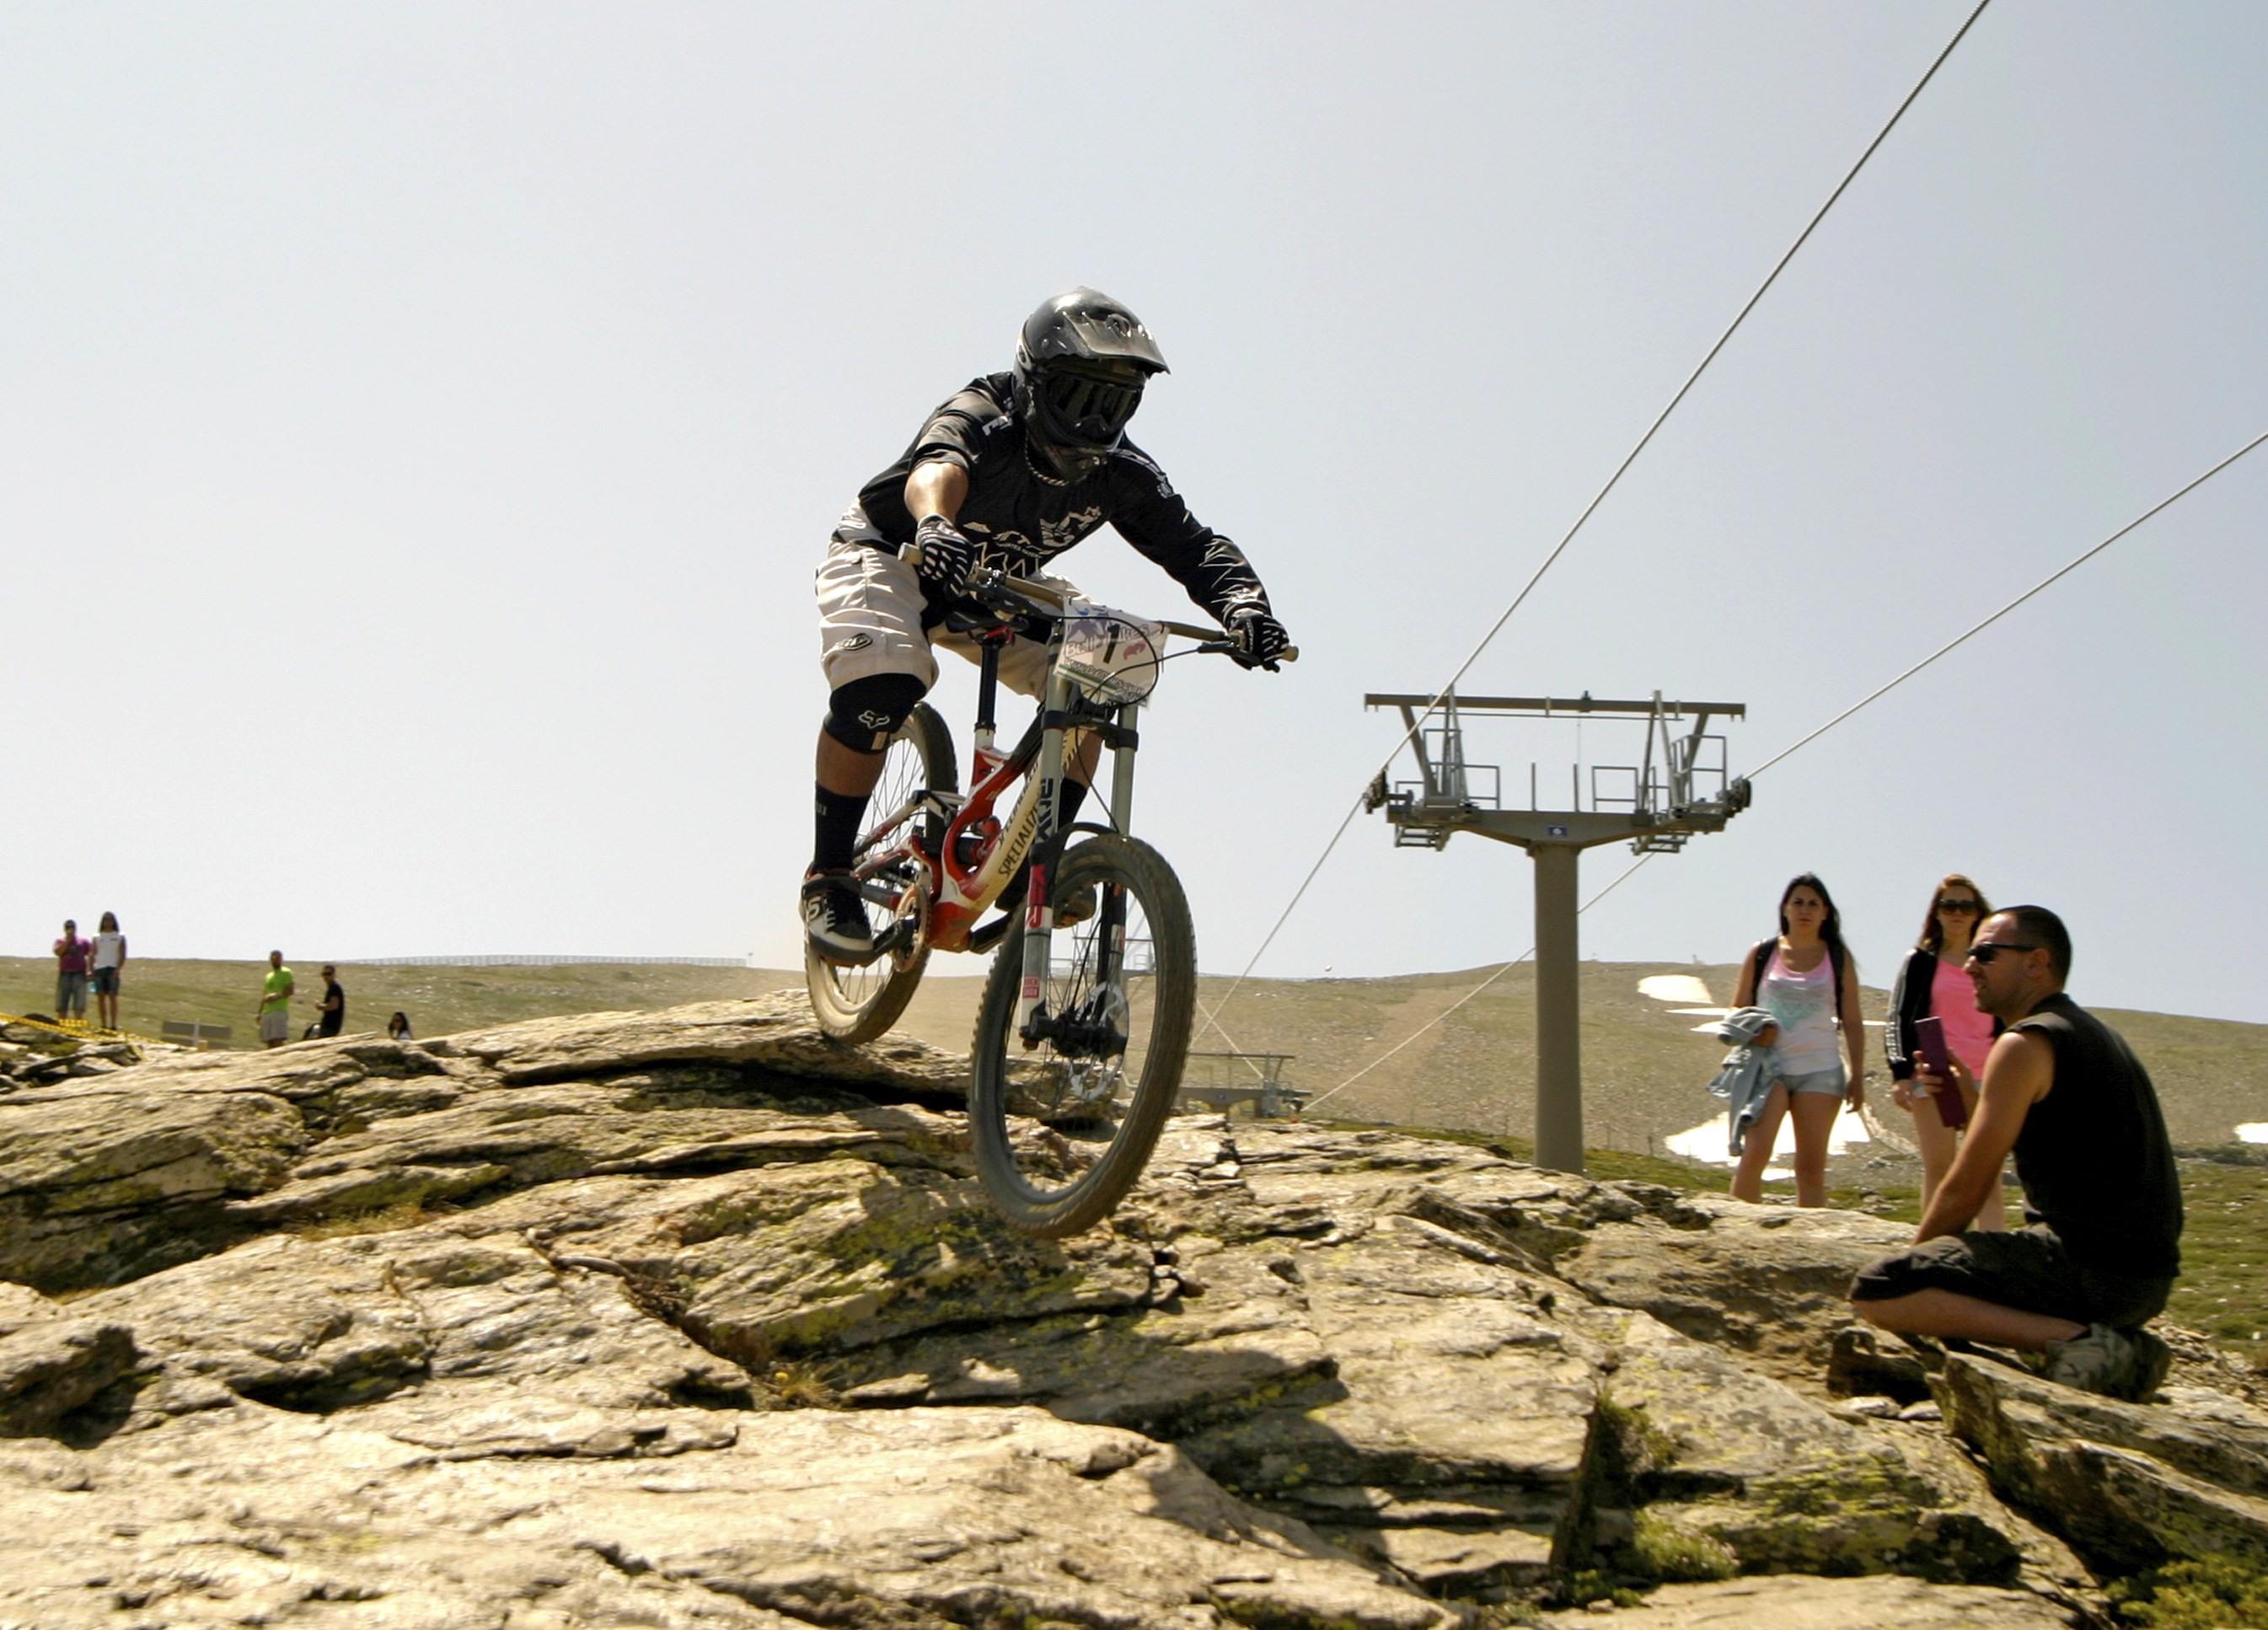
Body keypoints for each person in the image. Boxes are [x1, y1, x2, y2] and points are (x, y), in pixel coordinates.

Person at [803, 288, 1289, 965]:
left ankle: (1036, 855)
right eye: (1079, 394)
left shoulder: (1121, 471)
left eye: (1114, 401)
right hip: (897, 551)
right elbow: (936, 467)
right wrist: (936, 523)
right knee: (884, 685)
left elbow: (1193, 545)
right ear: (1033, 378)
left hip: (996, 580)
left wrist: (1244, 606)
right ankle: (829, 878)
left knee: (1107, 664)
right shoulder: (982, 413)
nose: (1094, 417)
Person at [1851, 906, 2184, 1401]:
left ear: (2036, 963)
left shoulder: (2024, 1043)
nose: (1969, 966)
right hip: (2143, 1283)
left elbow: (1969, 1183)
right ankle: (2119, 1346)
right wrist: (1972, 1104)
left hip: (2083, 1266)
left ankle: (2083, 1343)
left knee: (1881, 1290)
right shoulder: (2086, 1032)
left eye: (1986, 953)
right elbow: (2043, 1142)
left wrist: (1914, 1265)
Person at [1726, 873, 1868, 1208]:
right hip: (1768, 1068)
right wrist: (1755, 1029)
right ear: (1785, 909)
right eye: (1798, 902)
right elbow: (1737, 1007)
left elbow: (1852, 1019)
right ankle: (1737, 1229)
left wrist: (1858, 1076)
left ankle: (1810, 1236)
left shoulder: (1837, 957)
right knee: (1755, 1155)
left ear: (1825, 913)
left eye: (1814, 904)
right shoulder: (1763, 953)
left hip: (1820, 1070)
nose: (1805, 910)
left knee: (1810, 1168)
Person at [1885, 876, 2006, 1231]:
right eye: (1949, 905)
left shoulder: (1993, 963)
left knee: (1987, 1175)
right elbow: (1899, 1017)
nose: (1957, 912)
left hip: (1987, 1074)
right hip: (1935, 1070)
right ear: (1936, 913)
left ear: (1978, 914)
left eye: (1966, 906)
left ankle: (1994, 1252)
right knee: (1939, 1170)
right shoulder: (1921, 961)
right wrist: (1900, 1074)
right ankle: (1933, 1252)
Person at [90, 912, 128, 1032]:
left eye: (110, 920)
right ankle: (103, 1024)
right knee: (101, 997)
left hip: (112, 968)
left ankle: (113, 1025)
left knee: (113, 997)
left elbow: (122, 954)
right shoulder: (97, 936)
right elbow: (93, 953)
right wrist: (91, 969)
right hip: (99, 968)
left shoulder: (119, 936)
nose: (108, 922)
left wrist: (118, 969)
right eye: (105, 920)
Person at [52, 920, 93, 1021]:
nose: (70, 930)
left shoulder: (83, 941)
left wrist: (90, 970)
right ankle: (62, 1024)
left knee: (79, 1002)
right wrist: (68, 941)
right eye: (68, 927)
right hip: (65, 974)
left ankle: (78, 1024)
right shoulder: (60, 941)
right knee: (62, 1002)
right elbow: (58, 952)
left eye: (72, 927)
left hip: (79, 974)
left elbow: (91, 954)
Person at [257, 951, 295, 1048]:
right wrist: (259, 1012)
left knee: (278, 1040)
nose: (276, 961)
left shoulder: (286, 973)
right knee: (268, 1041)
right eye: (274, 959)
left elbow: (290, 990)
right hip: (267, 1011)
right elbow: (264, 994)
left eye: (278, 959)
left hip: (279, 1010)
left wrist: (276, 996)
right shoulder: (268, 976)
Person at [315, 965, 346, 1038]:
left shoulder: (334, 987)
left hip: (330, 1026)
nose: (326, 976)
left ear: (334, 975)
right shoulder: (332, 987)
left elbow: (333, 1006)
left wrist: (320, 1006)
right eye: (324, 974)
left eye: (328, 974)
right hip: (329, 1025)